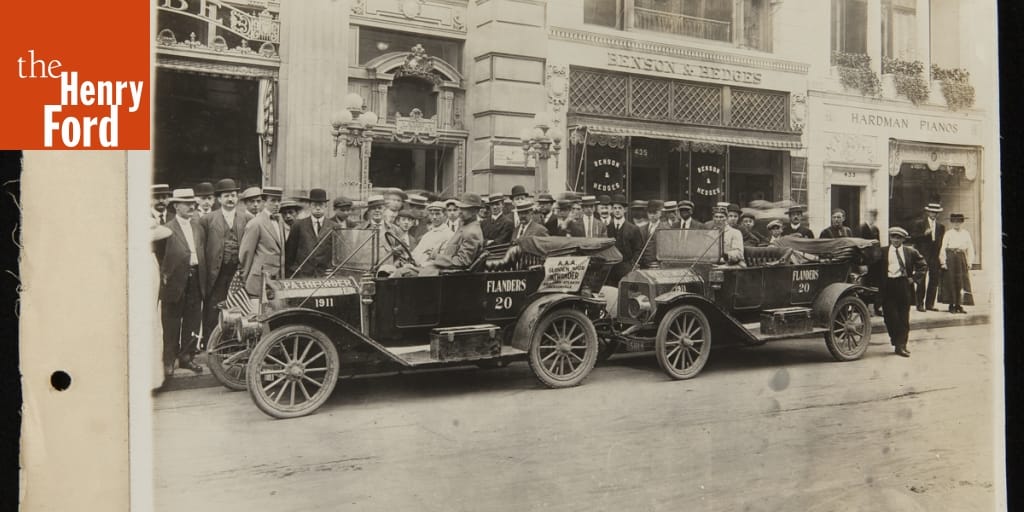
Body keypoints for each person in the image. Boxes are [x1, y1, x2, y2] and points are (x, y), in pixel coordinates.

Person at [198, 178, 252, 349]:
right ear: (219, 199)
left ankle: (235, 346)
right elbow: (201, 247)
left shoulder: (246, 218)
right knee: (214, 308)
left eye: (234, 196)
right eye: (227, 196)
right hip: (216, 273)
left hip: (238, 272)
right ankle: (212, 345)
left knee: (237, 308)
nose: (231, 199)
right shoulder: (207, 220)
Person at [157, 188, 206, 376]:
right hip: (175, 281)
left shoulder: (198, 227)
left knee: (193, 320)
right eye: (186, 203)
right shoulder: (166, 229)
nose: (191, 206)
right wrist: (165, 277)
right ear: (176, 206)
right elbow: (160, 257)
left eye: (193, 203)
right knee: (171, 321)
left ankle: (187, 357)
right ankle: (169, 360)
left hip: (195, 278)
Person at [869, 227, 927, 357]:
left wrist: (914, 278)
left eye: (898, 238)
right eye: (893, 237)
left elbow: (923, 265)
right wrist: (875, 285)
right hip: (888, 286)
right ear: (890, 238)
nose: (895, 240)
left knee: (903, 317)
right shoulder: (883, 252)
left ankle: (901, 345)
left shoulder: (910, 252)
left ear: (903, 239)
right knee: (891, 317)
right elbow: (873, 268)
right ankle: (896, 340)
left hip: (903, 285)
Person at [421, 193, 486, 274]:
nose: (460, 212)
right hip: (442, 267)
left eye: (465, 209)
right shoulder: (464, 225)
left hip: (448, 273)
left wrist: (437, 257)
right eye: (460, 208)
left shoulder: (472, 232)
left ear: (475, 211)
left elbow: (462, 261)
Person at [238, 186, 285, 296]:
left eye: (279, 201)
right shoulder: (256, 223)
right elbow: (245, 254)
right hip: (259, 281)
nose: (277, 204)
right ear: (264, 202)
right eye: (273, 201)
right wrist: (244, 279)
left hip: (277, 281)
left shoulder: (280, 222)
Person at [285, 188, 337, 278]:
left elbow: (338, 255)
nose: (317, 208)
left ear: (326, 206)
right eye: (314, 204)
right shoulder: (298, 225)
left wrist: (333, 270)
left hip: (325, 277)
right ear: (309, 205)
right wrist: (295, 271)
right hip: (302, 277)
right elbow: (290, 254)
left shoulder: (335, 227)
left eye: (321, 204)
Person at [911, 202, 946, 312]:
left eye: (936, 212)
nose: (933, 214)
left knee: (934, 280)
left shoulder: (941, 227)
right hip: (922, 255)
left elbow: (941, 242)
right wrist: (924, 234)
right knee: (921, 279)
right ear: (927, 212)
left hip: (935, 256)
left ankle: (930, 304)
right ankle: (919, 304)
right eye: (932, 212)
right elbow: (913, 238)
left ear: (938, 214)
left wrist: (941, 257)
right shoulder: (920, 224)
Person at [939, 213, 975, 314]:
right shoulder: (948, 233)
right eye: (954, 221)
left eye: (959, 221)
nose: (956, 224)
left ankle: (959, 304)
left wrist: (969, 262)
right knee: (951, 281)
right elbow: (943, 248)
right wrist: (943, 262)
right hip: (951, 258)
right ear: (952, 222)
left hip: (961, 258)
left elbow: (970, 248)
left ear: (962, 222)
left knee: (961, 281)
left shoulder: (966, 233)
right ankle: (951, 305)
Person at [606, 194, 643, 284]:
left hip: (626, 269)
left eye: (620, 208)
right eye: (615, 208)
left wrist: (632, 265)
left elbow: (638, 249)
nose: (617, 210)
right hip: (610, 270)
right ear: (612, 210)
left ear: (625, 210)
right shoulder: (607, 227)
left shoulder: (633, 229)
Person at [639, 200, 666, 268]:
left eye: (655, 212)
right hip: (643, 265)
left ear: (660, 213)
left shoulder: (665, 229)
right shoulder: (641, 229)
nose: (652, 215)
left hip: (658, 265)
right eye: (650, 212)